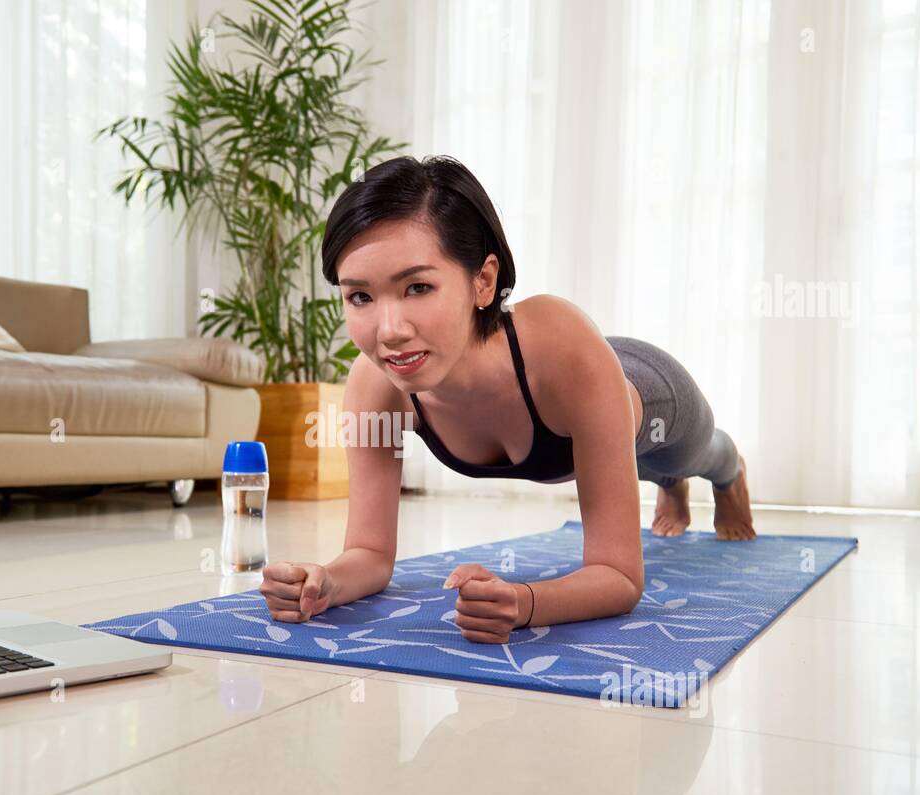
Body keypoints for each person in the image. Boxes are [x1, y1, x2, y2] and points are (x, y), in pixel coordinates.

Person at [260, 155, 755, 643]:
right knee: (630, 468)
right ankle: (668, 482)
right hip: (583, 422)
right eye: (360, 297)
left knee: (698, 453)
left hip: (647, 394)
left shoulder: (563, 343)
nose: (389, 332)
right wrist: (323, 583)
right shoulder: (376, 388)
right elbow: (369, 552)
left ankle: (727, 475)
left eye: (418, 287)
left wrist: (526, 602)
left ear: (484, 280)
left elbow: (620, 576)